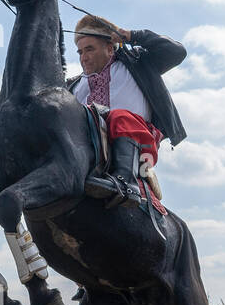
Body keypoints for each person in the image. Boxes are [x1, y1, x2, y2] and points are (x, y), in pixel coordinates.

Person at [65, 14, 188, 208]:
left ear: (109, 48)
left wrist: (132, 36)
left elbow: (176, 52)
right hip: (89, 150)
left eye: (89, 49)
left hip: (139, 144)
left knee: (117, 116)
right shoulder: (73, 86)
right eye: (80, 52)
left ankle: (126, 183)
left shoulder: (138, 62)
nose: (83, 58)